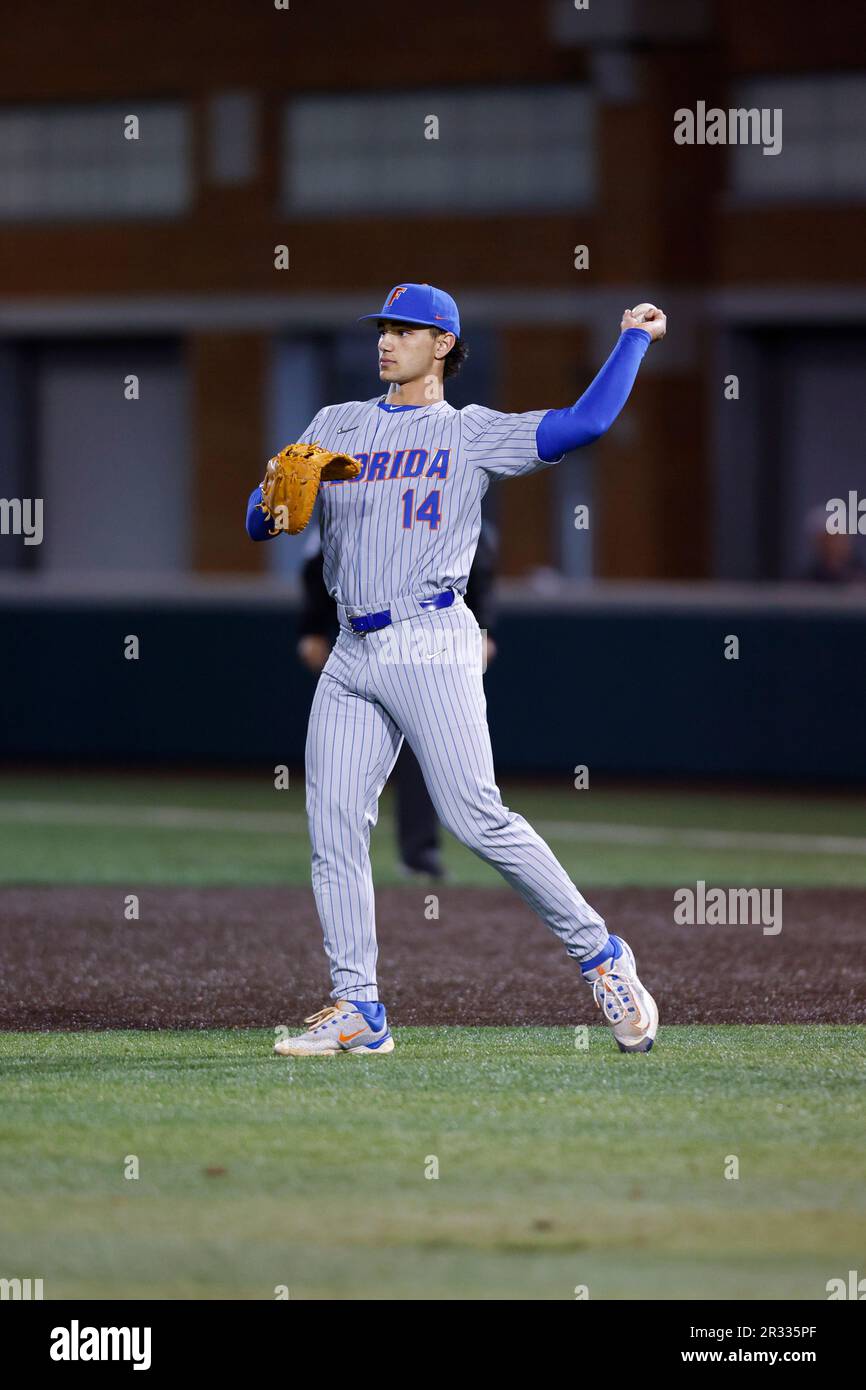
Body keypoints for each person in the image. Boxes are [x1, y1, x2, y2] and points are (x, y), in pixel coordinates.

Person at [246, 282, 666, 1057]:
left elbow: (587, 423)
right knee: (332, 825)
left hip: (431, 636)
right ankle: (359, 1008)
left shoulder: (468, 433)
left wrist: (632, 340)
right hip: (351, 648)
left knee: (477, 819)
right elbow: (258, 521)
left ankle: (602, 956)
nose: (386, 341)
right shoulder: (335, 423)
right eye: (383, 328)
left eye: (406, 330)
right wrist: (285, 492)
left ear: (442, 345)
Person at [296, 522, 499, 881]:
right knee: (339, 786)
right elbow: (322, 559)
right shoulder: (351, 485)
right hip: (359, 640)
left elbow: (478, 558)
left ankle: (420, 852)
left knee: (468, 801)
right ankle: (364, 864)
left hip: (430, 636)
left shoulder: (445, 480)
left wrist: (484, 627)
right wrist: (312, 627)